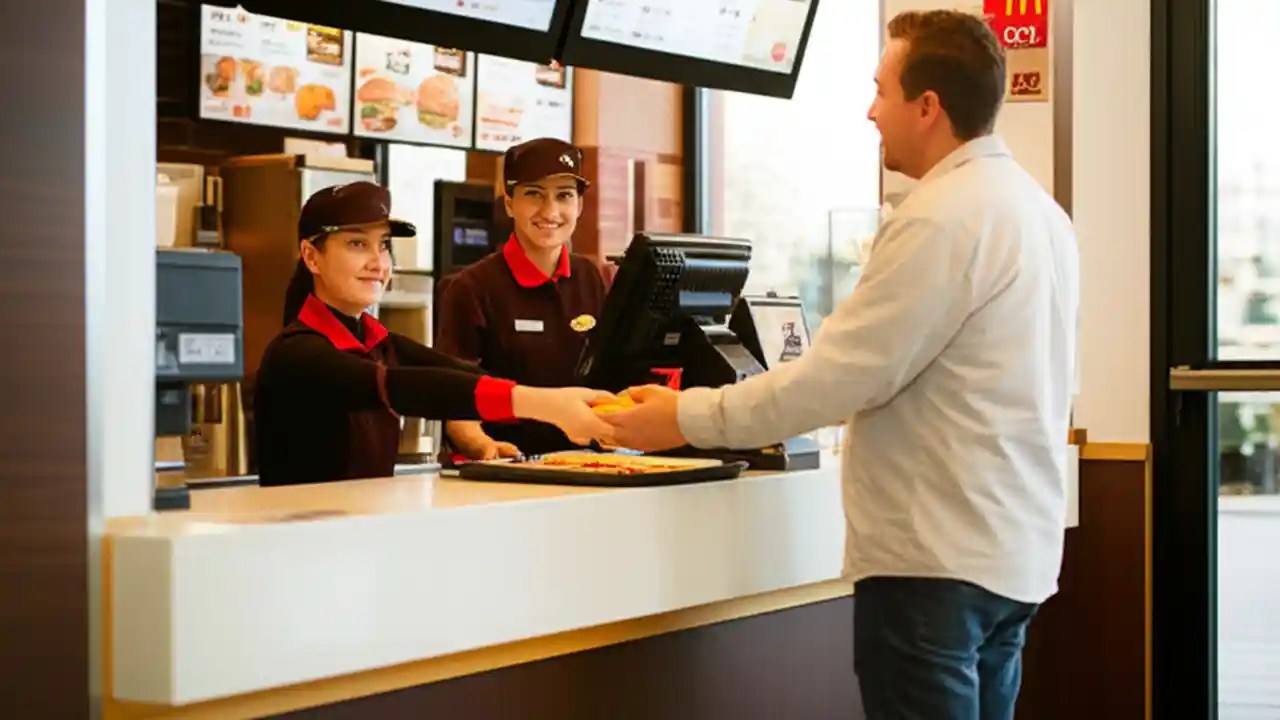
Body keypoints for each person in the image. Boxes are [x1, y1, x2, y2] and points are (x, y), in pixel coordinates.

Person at [603, 10, 1079, 720]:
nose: (869, 111)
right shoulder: (1039, 212)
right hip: (1011, 554)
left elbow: (837, 379)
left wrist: (681, 417)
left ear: (928, 107)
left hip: (933, 564)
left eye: (881, 91)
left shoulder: (939, 218)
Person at [253, 181, 613, 487]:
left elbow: (459, 375)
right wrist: (545, 405)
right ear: (312, 257)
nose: (378, 263)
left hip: (357, 535)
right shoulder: (296, 354)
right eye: (357, 244)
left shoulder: (376, 341)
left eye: (383, 245)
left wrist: (566, 405)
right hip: (300, 548)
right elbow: (406, 387)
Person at [434, 137, 607, 461]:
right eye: (534, 194)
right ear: (510, 203)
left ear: (580, 206)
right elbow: (453, 397)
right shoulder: (470, 288)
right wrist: (479, 444)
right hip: (505, 469)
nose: (550, 211)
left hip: (584, 465)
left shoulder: (590, 277)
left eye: (564, 196)